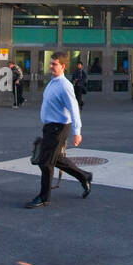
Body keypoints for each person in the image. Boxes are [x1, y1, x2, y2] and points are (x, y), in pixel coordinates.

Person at [25, 51, 91, 208]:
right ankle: (85, 176)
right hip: (49, 127)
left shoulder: (64, 85)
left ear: (63, 66)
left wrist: (77, 132)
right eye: (50, 63)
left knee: (45, 162)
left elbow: (74, 109)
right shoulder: (52, 82)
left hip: (58, 128)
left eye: (54, 64)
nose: (51, 66)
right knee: (55, 159)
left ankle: (44, 197)